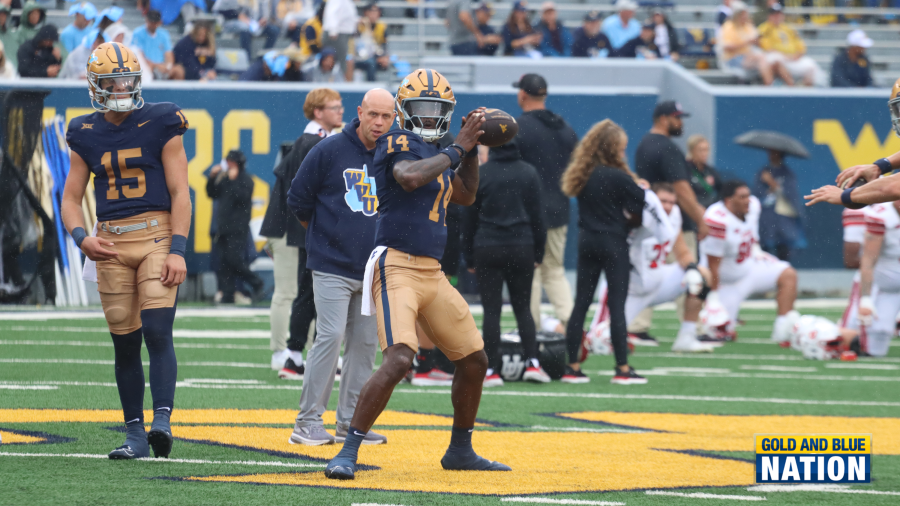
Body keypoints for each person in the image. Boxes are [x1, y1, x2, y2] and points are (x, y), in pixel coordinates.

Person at [323, 69, 509, 479]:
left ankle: (460, 449)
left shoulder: (439, 151)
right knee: (400, 358)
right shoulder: (397, 140)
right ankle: (348, 450)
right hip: (396, 265)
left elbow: (466, 194)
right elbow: (408, 177)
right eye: (421, 108)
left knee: (474, 360)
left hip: (432, 271)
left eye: (436, 109)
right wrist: (458, 149)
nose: (428, 116)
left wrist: (471, 150)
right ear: (404, 110)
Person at [62, 42, 190, 459]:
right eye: (113, 81)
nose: (121, 88)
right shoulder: (84, 131)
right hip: (110, 241)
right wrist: (81, 237)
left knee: (157, 330)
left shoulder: (161, 119)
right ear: (94, 85)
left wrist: (178, 249)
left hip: (156, 234)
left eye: (127, 79)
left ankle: (162, 421)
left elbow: (180, 192)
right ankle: (134, 434)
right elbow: (70, 198)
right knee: (124, 340)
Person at [286, 89, 395, 446]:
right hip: (331, 264)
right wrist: (325, 236)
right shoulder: (328, 149)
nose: (379, 122)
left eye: (387, 117)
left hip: (372, 267)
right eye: (373, 114)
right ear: (360, 112)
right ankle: (307, 421)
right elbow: (298, 198)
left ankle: (351, 422)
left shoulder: (394, 154)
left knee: (365, 345)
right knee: (330, 337)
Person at [559, 119, 647, 385]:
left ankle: (572, 366)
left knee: (581, 304)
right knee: (617, 305)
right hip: (613, 242)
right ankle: (622, 368)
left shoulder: (583, 174)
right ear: (612, 148)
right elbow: (640, 206)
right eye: (621, 148)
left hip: (587, 241)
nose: (623, 153)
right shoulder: (619, 176)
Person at [262, 88, 342, 376]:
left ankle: (296, 354)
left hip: (297, 228)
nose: (341, 111)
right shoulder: (312, 142)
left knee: (305, 292)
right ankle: (284, 353)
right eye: (334, 107)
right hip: (293, 228)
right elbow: (301, 193)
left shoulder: (311, 140)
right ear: (318, 112)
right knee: (293, 292)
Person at [589, 183, 716, 353]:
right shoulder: (639, 216)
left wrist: (692, 269)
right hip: (629, 288)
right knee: (598, 340)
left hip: (657, 282)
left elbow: (682, 252)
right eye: (663, 201)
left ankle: (687, 337)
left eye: (672, 202)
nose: (668, 206)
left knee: (703, 274)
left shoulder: (674, 214)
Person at [461, 138, 549, 386]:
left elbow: (469, 219)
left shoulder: (483, 173)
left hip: (487, 247)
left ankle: (491, 370)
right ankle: (533, 363)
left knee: (492, 310)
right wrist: (538, 253)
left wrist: (469, 256)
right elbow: (538, 218)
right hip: (522, 246)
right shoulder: (528, 172)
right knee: (523, 308)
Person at [513, 73, 577, 335]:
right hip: (559, 209)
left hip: (528, 213)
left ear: (523, 94)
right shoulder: (565, 128)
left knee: (530, 274)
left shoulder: (518, 128)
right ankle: (573, 327)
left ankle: (531, 331)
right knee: (554, 271)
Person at [700, 180, 799, 344]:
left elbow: (751, 232)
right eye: (742, 197)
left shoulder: (753, 206)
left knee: (788, 275)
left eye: (748, 195)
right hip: (725, 282)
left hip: (749, 267)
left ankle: (782, 330)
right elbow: (713, 265)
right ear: (728, 200)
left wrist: (756, 249)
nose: (748, 200)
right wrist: (713, 298)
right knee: (719, 333)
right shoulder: (717, 220)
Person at [636, 101, 709, 245]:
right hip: (675, 228)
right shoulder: (668, 148)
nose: (681, 122)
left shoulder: (643, 144)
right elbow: (681, 190)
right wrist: (700, 221)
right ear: (663, 119)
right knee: (686, 260)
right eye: (677, 118)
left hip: (650, 224)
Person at [206, 150, 264, 304]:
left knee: (234, 260)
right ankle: (227, 294)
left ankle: (256, 282)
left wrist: (233, 181)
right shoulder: (224, 179)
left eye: (231, 161)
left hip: (237, 229)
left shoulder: (247, 180)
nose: (228, 164)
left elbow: (241, 197)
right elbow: (212, 193)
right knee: (224, 263)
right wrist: (212, 177)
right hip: (223, 228)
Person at [852, 201, 900, 357]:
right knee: (869, 342)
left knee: (876, 343)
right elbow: (868, 260)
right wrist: (866, 299)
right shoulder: (880, 216)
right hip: (880, 284)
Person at [753, 150, 805, 261]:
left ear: (780, 155)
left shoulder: (787, 173)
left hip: (783, 216)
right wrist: (767, 189)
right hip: (766, 215)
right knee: (765, 245)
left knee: (783, 246)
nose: (771, 156)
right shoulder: (763, 172)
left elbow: (791, 193)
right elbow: (757, 192)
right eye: (770, 153)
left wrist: (772, 183)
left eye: (774, 153)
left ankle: (782, 268)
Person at [719, 1, 784, 85]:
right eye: (742, 14)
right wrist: (747, 42)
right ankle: (770, 85)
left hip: (748, 57)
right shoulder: (728, 26)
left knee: (772, 61)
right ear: (737, 15)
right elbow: (727, 47)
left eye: (745, 14)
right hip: (733, 58)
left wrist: (756, 40)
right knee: (762, 58)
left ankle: (778, 85)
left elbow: (757, 41)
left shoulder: (747, 26)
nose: (745, 16)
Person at [758, 3, 823, 87]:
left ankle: (806, 91)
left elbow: (800, 46)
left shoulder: (789, 28)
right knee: (776, 59)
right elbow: (766, 47)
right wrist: (785, 56)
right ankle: (791, 86)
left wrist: (796, 55)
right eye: (774, 14)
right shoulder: (765, 28)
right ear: (770, 16)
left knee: (811, 66)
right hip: (778, 56)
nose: (777, 17)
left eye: (779, 14)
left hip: (792, 57)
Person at [683, 134, 722, 255]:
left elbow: (722, 191)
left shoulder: (710, 171)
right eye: (700, 150)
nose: (704, 153)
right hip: (691, 216)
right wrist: (697, 208)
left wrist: (715, 208)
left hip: (709, 216)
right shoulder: (685, 169)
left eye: (706, 150)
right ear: (691, 151)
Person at [212, 0, 280, 60]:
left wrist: (263, 20)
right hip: (231, 23)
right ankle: (247, 58)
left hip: (254, 25)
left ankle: (264, 56)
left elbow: (263, 14)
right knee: (245, 29)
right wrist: (238, 16)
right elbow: (219, 11)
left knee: (274, 30)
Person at [132, 10, 183, 81]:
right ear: (147, 20)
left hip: (161, 66)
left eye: (155, 22)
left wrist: (168, 66)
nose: (153, 24)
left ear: (159, 22)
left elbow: (168, 54)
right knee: (148, 68)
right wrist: (155, 65)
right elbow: (139, 55)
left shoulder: (164, 34)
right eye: (151, 22)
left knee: (179, 70)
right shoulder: (138, 33)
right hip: (146, 65)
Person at [354, 3, 389, 82]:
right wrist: (366, 25)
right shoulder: (359, 25)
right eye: (371, 12)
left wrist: (383, 56)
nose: (373, 15)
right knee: (371, 63)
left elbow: (384, 45)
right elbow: (357, 44)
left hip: (375, 54)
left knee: (385, 61)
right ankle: (371, 85)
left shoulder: (382, 26)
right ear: (366, 13)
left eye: (376, 12)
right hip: (359, 56)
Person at [322, 0, 357, 74]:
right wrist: (333, 30)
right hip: (336, 34)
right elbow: (332, 13)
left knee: (343, 60)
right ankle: (334, 79)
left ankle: (338, 78)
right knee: (335, 61)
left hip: (342, 34)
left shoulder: (348, 2)